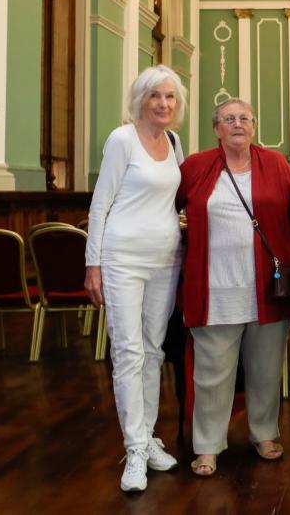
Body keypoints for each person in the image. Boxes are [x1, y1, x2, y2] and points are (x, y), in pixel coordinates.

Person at [176, 99, 290, 476]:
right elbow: (167, 206)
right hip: (213, 289)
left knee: (265, 369)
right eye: (228, 119)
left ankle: (264, 434)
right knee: (212, 372)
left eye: (244, 118)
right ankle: (207, 446)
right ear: (216, 128)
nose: (237, 124)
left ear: (254, 126)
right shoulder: (197, 166)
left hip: (268, 288)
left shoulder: (275, 164)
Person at [84, 65, 187, 493]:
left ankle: (147, 438)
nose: (163, 104)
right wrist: (94, 265)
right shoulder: (122, 139)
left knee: (152, 350)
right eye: (155, 96)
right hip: (122, 258)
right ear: (140, 99)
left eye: (170, 97)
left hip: (166, 259)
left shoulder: (175, 141)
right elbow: (100, 204)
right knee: (127, 353)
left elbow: (178, 202)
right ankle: (134, 450)